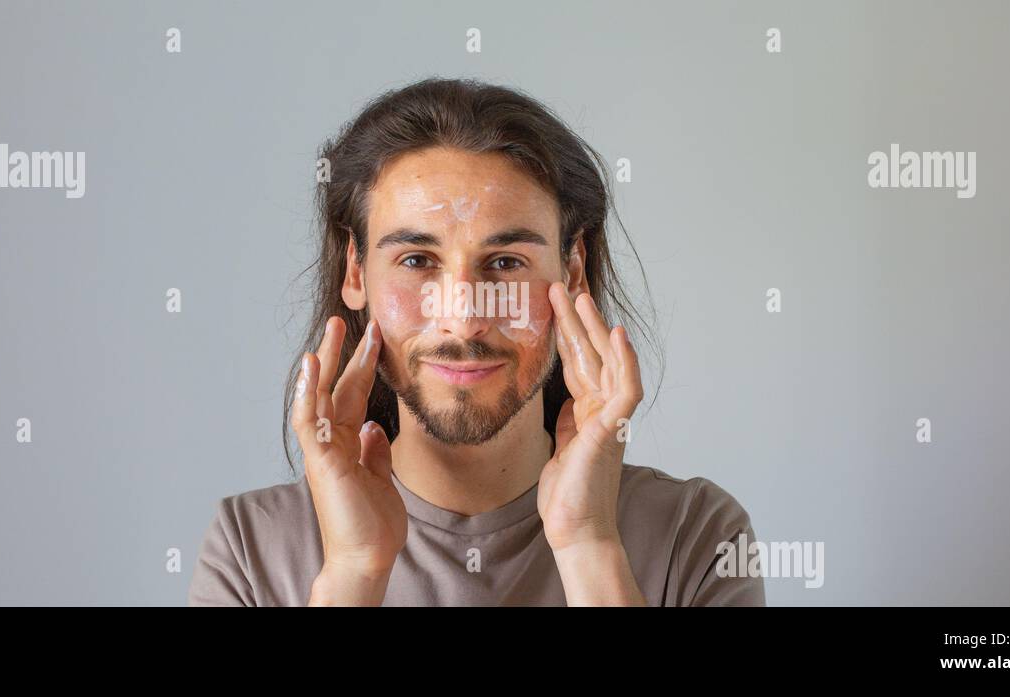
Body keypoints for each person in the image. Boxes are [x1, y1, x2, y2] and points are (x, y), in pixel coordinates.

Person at [188, 77, 765, 606]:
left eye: (506, 262)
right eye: (416, 260)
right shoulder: (250, 551)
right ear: (357, 273)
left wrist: (589, 543)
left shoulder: (695, 536)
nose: (463, 320)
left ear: (572, 272)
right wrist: (354, 571)